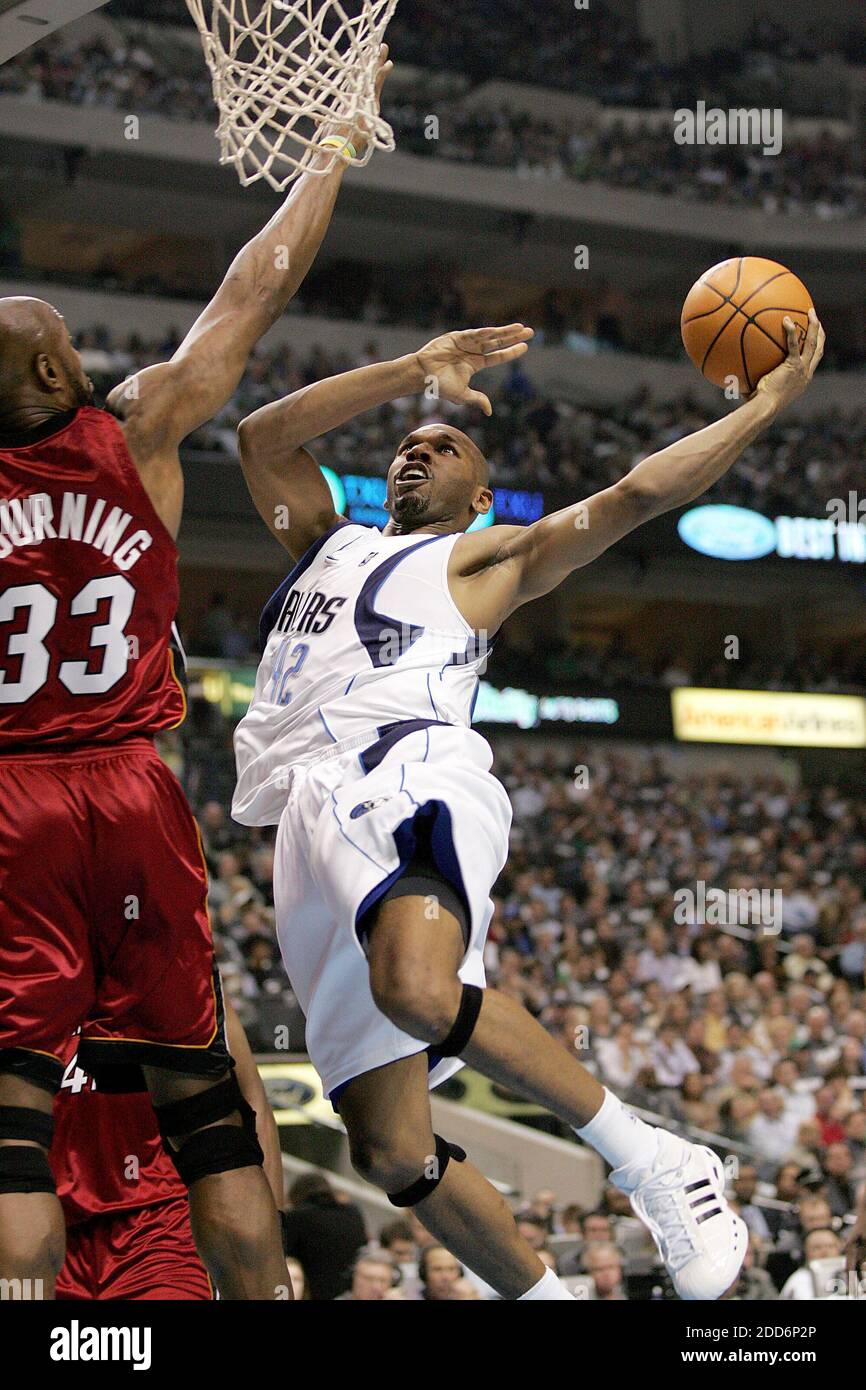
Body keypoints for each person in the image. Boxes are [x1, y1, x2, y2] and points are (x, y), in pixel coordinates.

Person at [232, 308, 825, 1301]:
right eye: (408, 444)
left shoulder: (480, 560)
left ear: (477, 495)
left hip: (406, 773)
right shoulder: (323, 545)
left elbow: (637, 493)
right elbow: (260, 436)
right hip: (302, 825)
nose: (417, 448)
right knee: (389, 1149)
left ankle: (653, 1158)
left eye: (445, 444)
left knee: (417, 989)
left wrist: (765, 405)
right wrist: (413, 372)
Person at [0, 48, 392, 1299]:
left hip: (13, 805)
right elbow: (249, 291)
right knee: (207, 1105)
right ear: (60, 376)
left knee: (13, 1119)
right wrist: (332, 145)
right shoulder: (138, 429)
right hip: (134, 789)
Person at [52, 1001, 283, 1300]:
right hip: (48, 1226)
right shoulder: (29, 982)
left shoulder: (181, 978)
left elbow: (252, 1101)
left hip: (161, 1225)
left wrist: (273, 1236)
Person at [280, 1171, 367, 1301]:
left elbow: (285, 1253)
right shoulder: (353, 1213)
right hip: (343, 1290)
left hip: (309, 1289)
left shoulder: (297, 1217)